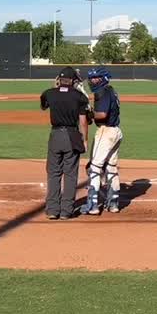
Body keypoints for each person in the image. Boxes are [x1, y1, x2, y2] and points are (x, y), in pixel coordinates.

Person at [40, 67, 91, 220]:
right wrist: (85, 139)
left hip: (55, 135)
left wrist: (56, 87)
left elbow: (44, 106)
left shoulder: (49, 93)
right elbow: (83, 121)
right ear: (73, 80)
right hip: (72, 135)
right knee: (70, 174)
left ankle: (52, 210)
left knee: (53, 173)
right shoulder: (80, 96)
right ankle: (67, 210)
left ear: (59, 80)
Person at [83, 66, 124, 215]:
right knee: (111, 167)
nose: (93, 80)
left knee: (94, 167)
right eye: (92, 78)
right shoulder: (111, 90)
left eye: (97, 77)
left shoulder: (102, 92)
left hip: (106, 132)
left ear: (104, 78)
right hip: (116, 132)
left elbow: (102, 115)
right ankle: (113, 204)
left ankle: (92, 206)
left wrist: (89, 114)